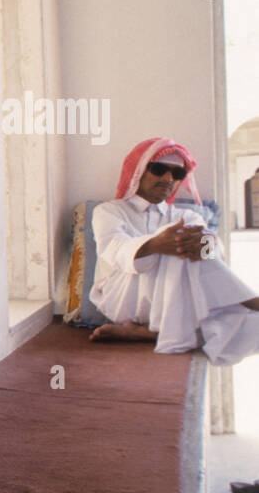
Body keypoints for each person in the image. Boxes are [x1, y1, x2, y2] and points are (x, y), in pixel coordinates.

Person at [88, 137, 259, 366]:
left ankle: (155, 334)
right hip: (121, 296)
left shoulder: (186, 215)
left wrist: (203, 246)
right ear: (138, 171)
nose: (168, 179)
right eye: (159, 169)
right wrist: (155, 244)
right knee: (177, 237)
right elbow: (115, 250)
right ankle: (249, 300)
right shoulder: (109, 211)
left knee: (242, 323)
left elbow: (214, 254)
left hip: (179, 302)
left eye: (177, 174)